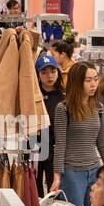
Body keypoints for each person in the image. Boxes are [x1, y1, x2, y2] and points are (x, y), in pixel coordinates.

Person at [51, 61, 104, 206]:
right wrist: (57, 176)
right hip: (72, 173)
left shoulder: (98, 108)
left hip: (94, 170)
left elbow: (102, 142)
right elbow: (60, 144)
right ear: (77, 82)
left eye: (95, 79)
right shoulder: (64, 109)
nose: (93, 84)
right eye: (88, 80)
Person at [33, 52, 64, 195]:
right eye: (44, 72)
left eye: (52, 71)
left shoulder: (64, 97)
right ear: (37, 75)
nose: (49, 76)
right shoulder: (33, 96)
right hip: (36, 144)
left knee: (55, 187)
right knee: (34, 185)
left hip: (56, 147)